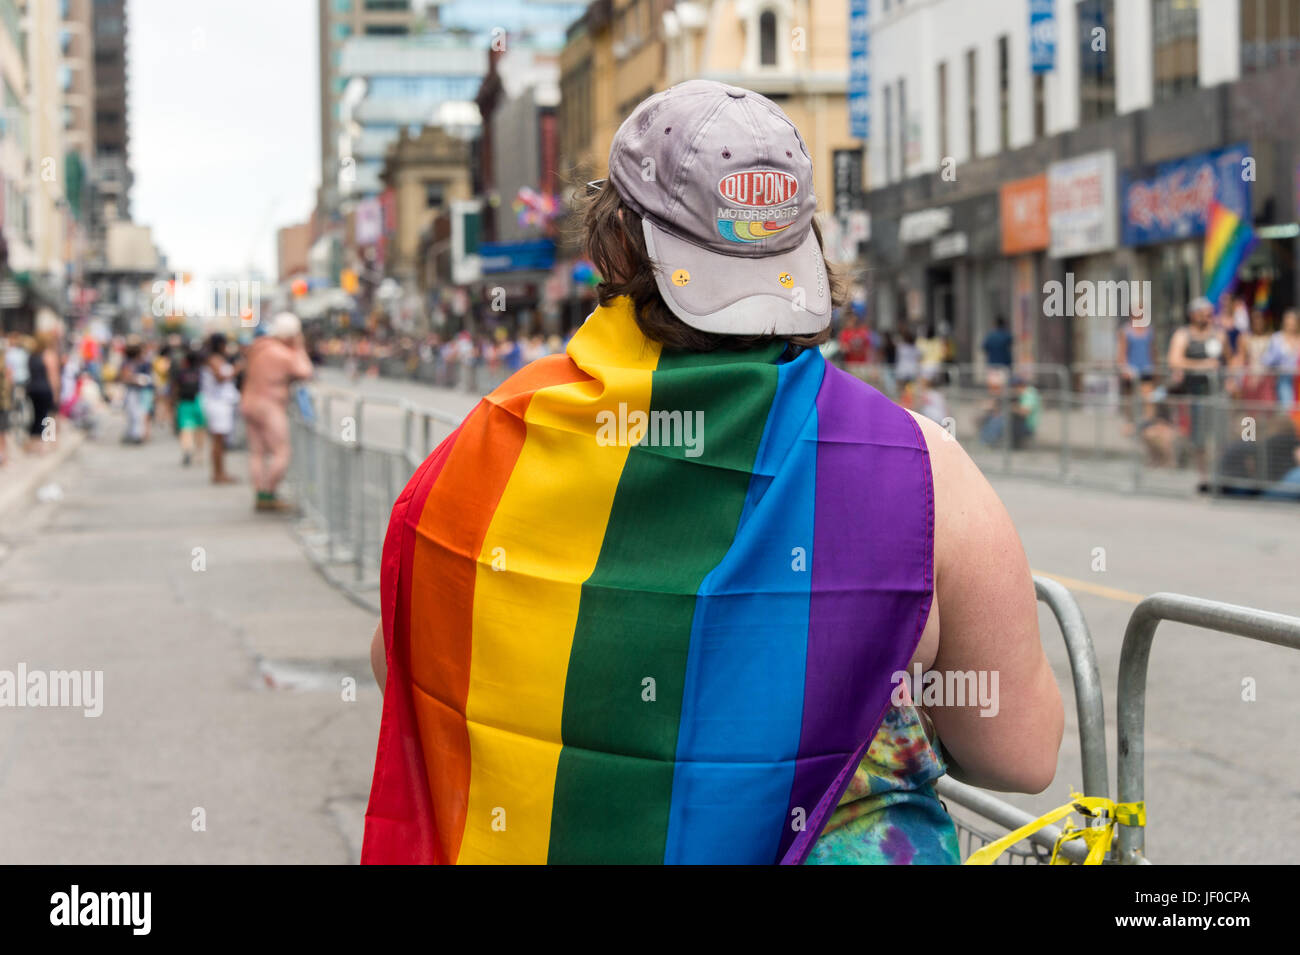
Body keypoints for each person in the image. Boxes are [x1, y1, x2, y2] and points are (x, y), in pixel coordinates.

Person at [362, 80, 1063, 866]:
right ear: (803, 252)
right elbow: (1020, 752)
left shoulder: (485, 453)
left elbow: (406, 670)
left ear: (615, 247)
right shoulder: (921, 470)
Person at [241, 312, 313, 511]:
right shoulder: (282, 353)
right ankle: (269, 493)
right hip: (269, 405)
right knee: (282, 452)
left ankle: (260, 492)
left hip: (249, 402)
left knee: (257, 453)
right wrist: (298, 347)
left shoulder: (257, 347)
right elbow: (305, 371)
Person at [1169, 297, 1228, 478]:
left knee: (1220, 436)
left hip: (1218, 392)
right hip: (1196, 394)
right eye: (1204, 314)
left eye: (1210, 314)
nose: (1208, 317)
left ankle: (1219, 475)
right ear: (1193, 315)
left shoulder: (1219, 334)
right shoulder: (1183, 335)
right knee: (1199, 439)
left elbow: (1231, 358)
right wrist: (1202, 365)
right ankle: (1203, 477)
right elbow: (1174, 360)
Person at [200, 332, 240, 484]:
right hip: (217, 404)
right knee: (218, 441)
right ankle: (218, 473)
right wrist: (237, 369)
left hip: (221, 403)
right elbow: (220, 377)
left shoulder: (216, 359)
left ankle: (221, 472)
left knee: (220, 441)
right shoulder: (213, 359)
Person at [24, 329, 60, 453]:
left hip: (32, 389)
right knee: (46, 416)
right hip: (45, 389)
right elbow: (53, 376)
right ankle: (42, 445)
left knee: (36, 416)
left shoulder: (32, 355)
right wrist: (56, 394)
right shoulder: (48, 355)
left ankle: (31, 443)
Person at [174, 346, 205, 466]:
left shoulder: (181, 373)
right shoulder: (200, 372)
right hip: (199, 401)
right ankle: (199, 453)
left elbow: (175, 388)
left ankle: (187, 449)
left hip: (184, 402)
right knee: (200, 429)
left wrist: (173, 401)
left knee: (186, 429)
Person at [1263, 308, 1300, 409]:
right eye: (1288, 323)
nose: (1291, 326)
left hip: (1298, 379)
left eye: (1293, 323)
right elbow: (1267, 360)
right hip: (1284, 379)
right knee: (1288, 409)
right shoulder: (1277, 338)